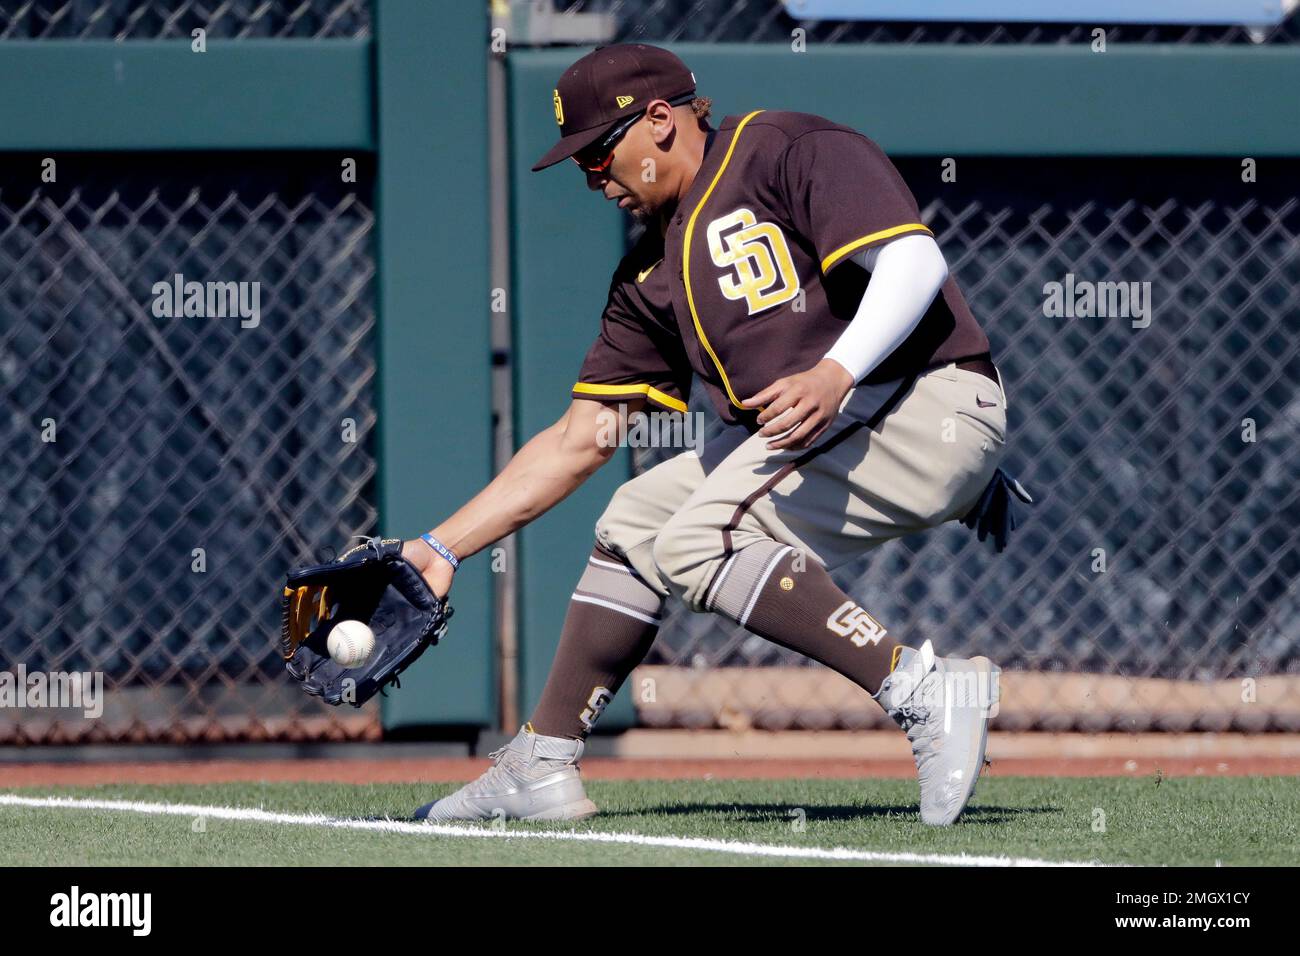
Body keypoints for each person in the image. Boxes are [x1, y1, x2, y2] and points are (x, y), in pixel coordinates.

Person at [406, 44, 1019, 826]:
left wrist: (837, 372)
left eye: (597, 153)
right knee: (636, 524)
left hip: (923, 402)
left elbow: (913, 261)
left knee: (697, 542)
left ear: (659, 120)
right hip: (854, 426)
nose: (592, 179)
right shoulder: (650, 274)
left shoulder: (782, 148)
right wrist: (443, 547)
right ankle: (541, 762)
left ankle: (921, 689)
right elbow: (580, 440)